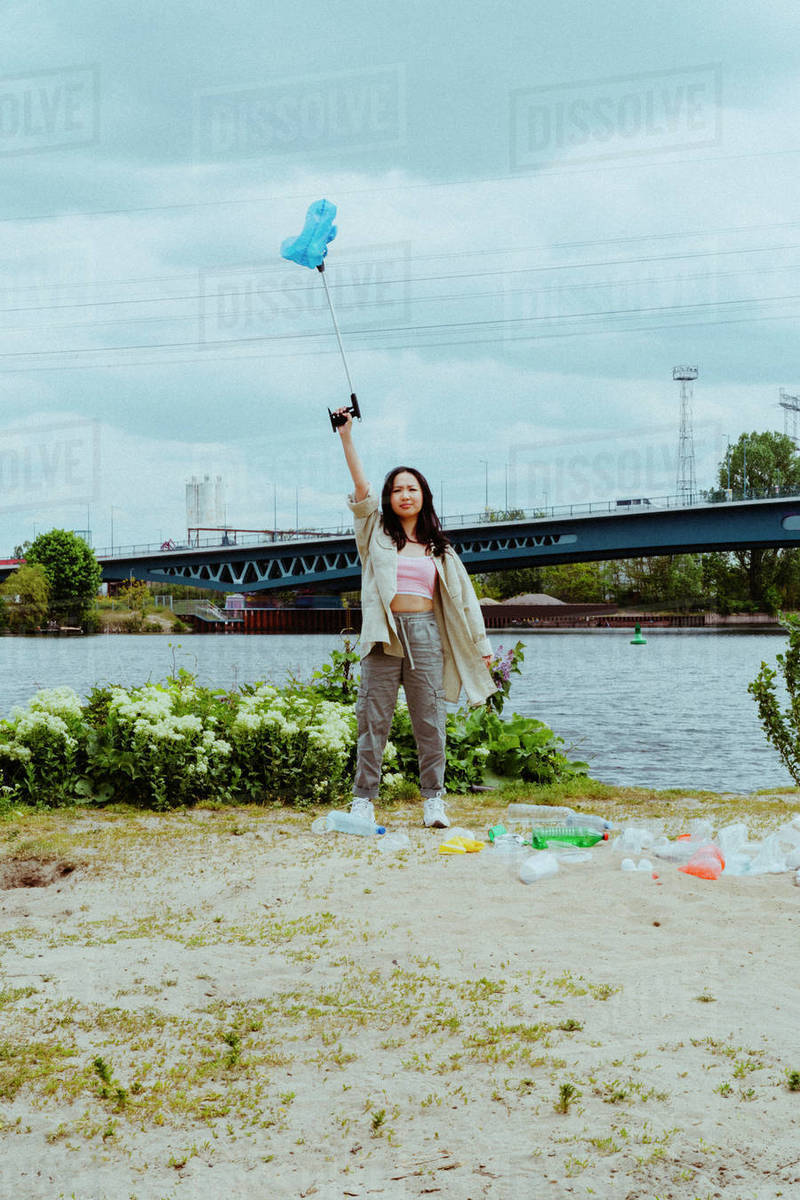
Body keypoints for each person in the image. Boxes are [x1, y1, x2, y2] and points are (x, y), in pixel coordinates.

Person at [335, 409, 496, 829]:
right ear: (388, 498)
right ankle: (363, 800)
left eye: (412, 489)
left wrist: (481, 648)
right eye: (397, 490)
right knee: (373, 720)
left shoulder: (441, 550)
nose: (404, 495)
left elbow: (466, 603)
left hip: (425, 634)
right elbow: (360, 491)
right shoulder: (374, 533)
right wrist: (346, 436)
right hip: (384, 634)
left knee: (430, 722)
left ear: (424, 496)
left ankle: (434, 801)